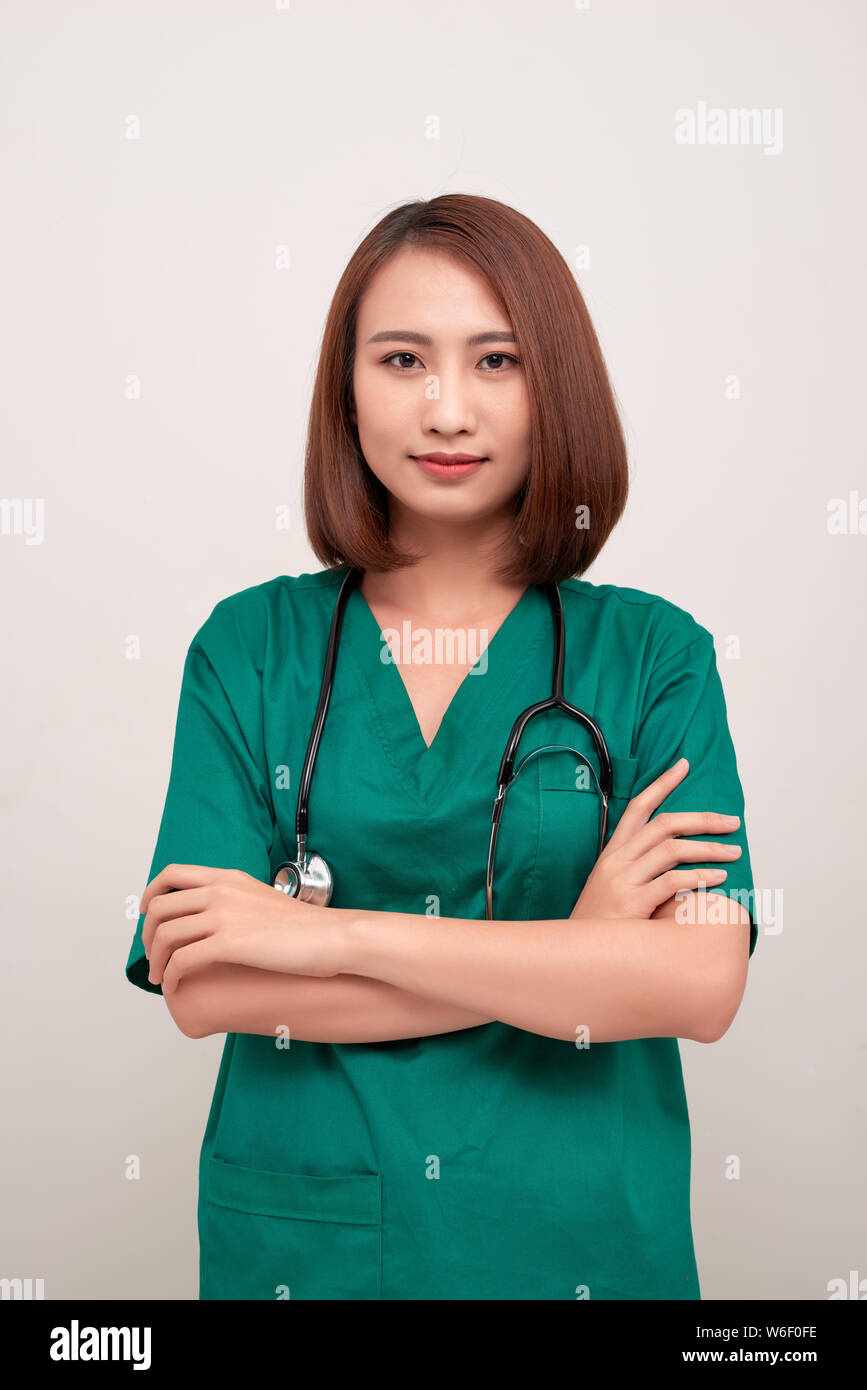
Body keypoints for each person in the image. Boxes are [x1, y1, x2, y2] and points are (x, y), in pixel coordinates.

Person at [126, 193, 757, 1301]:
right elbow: (206, 985)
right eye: (403, 359)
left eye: (498, 361)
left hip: (577, 1244)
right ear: (346, 388)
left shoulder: (657, 657)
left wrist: (324, 942)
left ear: (553, 382)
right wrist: (574, 951)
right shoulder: (251, 649)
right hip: (312, 1245)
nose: (448, 409)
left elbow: (698, 982)